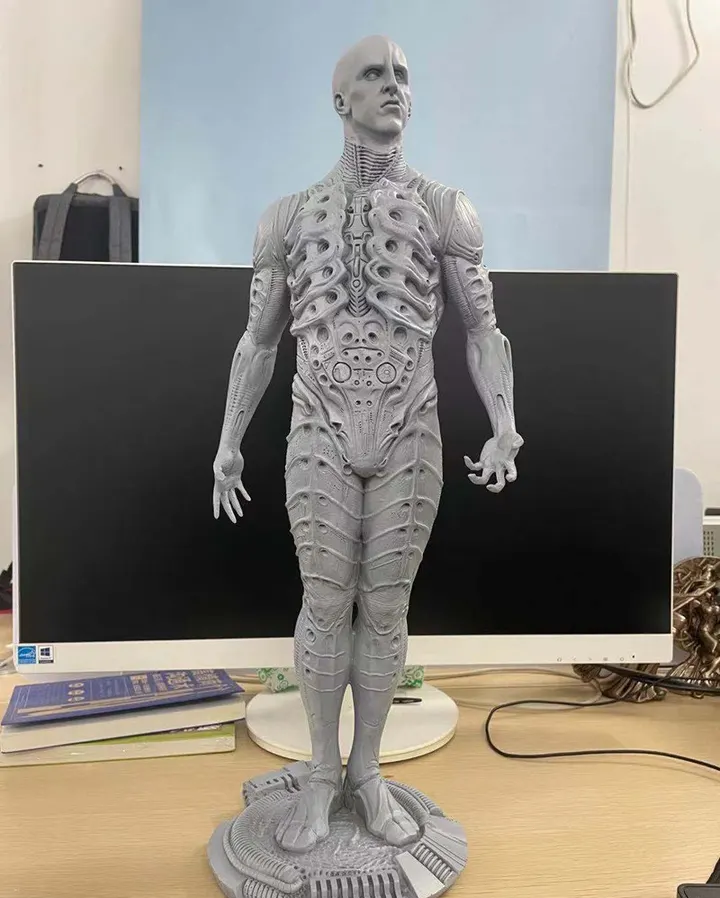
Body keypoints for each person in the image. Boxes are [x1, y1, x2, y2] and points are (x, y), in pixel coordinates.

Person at [212, 35, 523, 854]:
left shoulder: (446, 209)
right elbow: (259, 341)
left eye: (403, 76)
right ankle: (321, 775)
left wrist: (504, 422)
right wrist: (229, 440)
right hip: (317, 422)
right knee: (323, 602)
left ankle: (368, 772)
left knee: (386, 608)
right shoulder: (287, 217)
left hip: (409, 423)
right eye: (374, 75)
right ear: (340, 100)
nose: (394, 86)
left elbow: (483, 329)